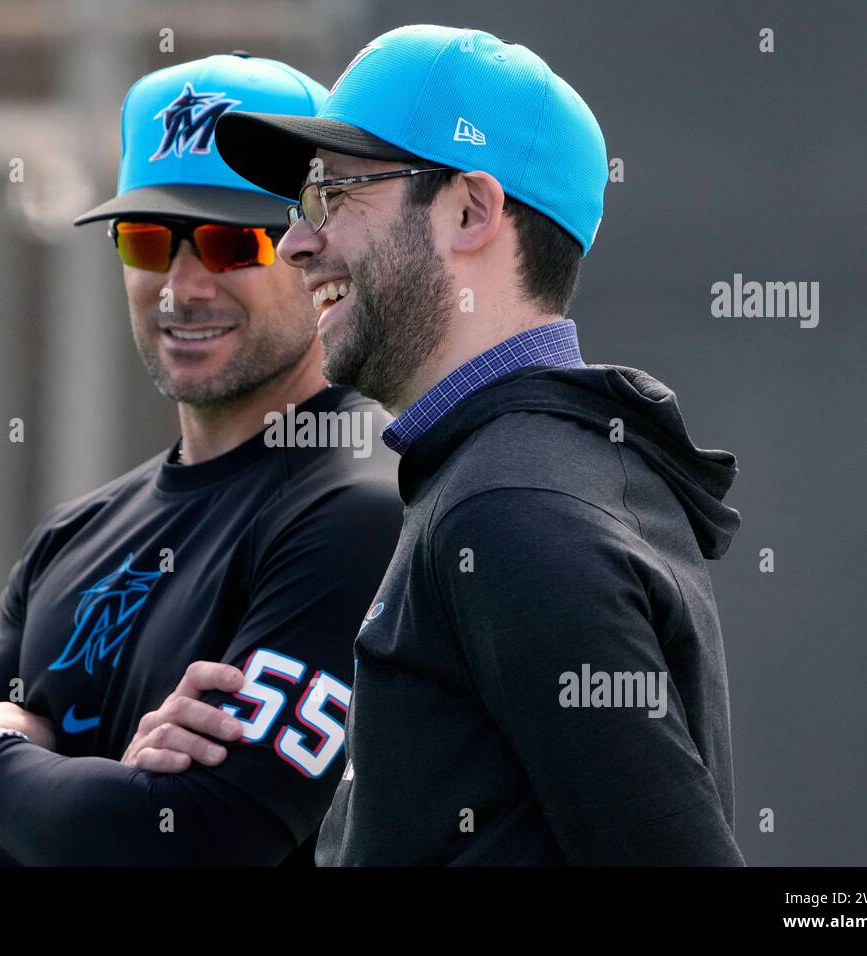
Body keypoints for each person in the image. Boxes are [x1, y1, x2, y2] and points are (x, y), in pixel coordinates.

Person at [204, 24, 747, 864]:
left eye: (335, 194)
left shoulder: (512, 510)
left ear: (470, 211)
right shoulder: (507, 477)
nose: (295, 241)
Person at [0, 52, 401, 866]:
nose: (181, 286)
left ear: (314, 247)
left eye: (231, 242)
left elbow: (191, 841)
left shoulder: (363, 504)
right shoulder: (73, 535)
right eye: (147, 240)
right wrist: (108, 799)